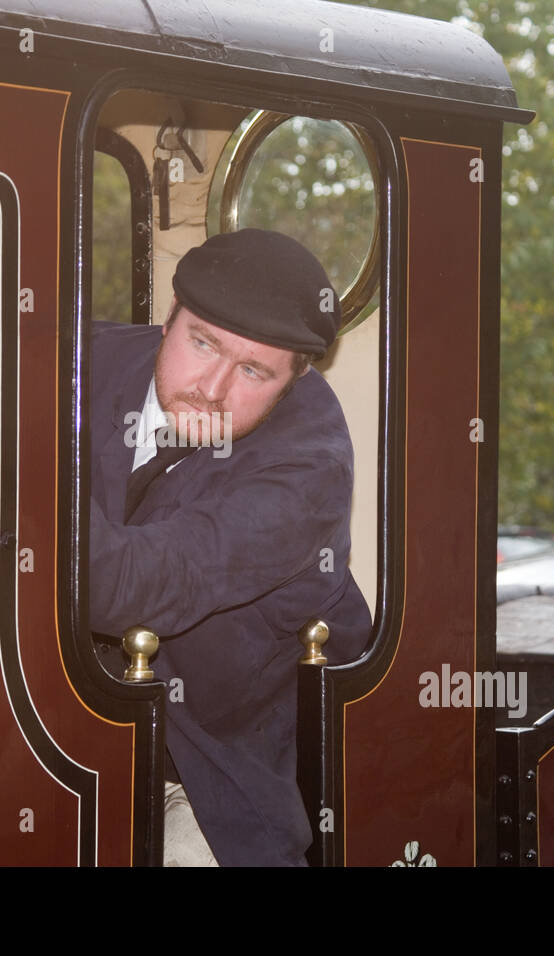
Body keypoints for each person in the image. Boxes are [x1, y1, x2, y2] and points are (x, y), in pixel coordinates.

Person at [88, 228, 372, 866]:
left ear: (293, 379)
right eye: (202, 342)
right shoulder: (90, 362)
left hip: (204, 775)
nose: (210, 390)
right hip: (59, 730)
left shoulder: (309, 471)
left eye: (252, 370)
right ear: (169, 321)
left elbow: (143, 584)